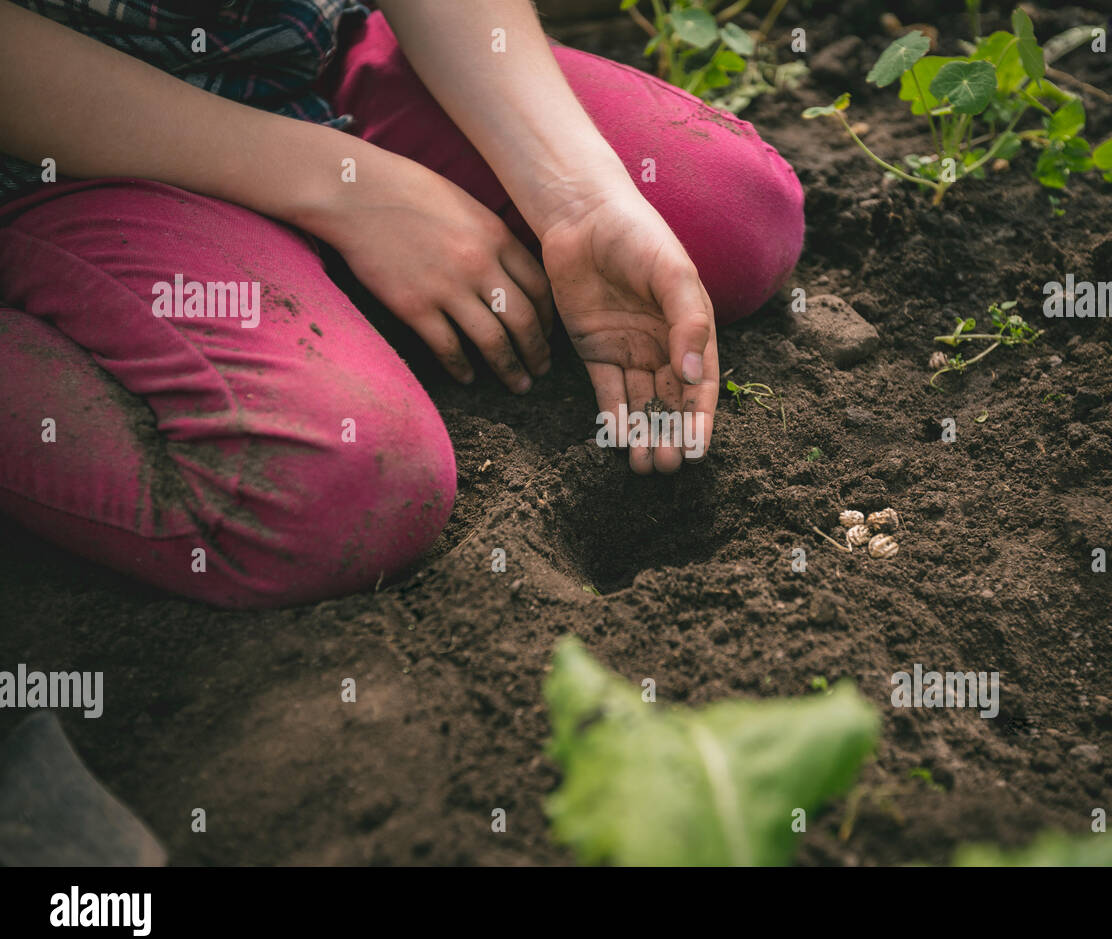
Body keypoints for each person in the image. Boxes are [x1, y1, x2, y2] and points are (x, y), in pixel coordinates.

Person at [0, 0, 804, 607]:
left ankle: (309, 282)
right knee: (329, 491)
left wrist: (577, 202)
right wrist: (345, 192)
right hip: (64, 146)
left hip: (305, 59)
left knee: (730, 222)